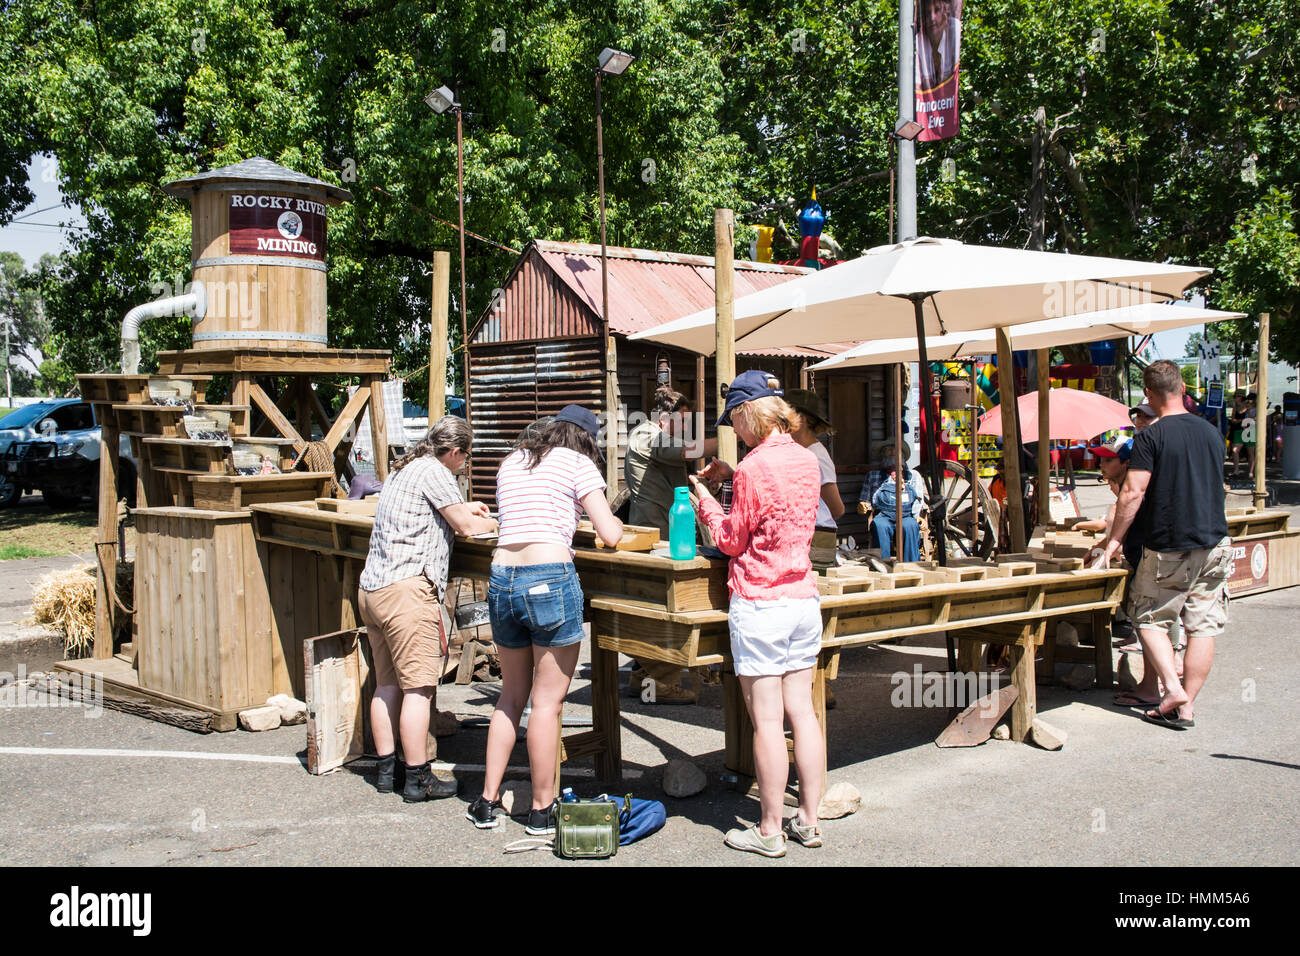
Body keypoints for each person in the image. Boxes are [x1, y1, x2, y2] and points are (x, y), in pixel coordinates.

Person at [467, 405, 623, 832]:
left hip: (502, 578)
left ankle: (486, 800)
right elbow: (610, 534)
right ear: (588, 439)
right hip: (549, 578)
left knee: (510, 697)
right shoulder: (579, 463)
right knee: (548, 703)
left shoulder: (512, 461)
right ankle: (541, 808)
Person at [691, 370, 824, 857]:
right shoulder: (807, 461)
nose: (735, 431)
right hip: (802, 598)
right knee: (803, 715)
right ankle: (808, 820)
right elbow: (779, 508)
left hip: (760, 602)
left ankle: (768, 829)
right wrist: (730, 478)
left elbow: (730, 540)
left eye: (735, 421)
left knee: (767, 723)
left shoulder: (753, 467)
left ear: (749, 413)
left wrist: (707, 503)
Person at [358, 416, 498, 801]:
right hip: (407, 591)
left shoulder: (407, 468)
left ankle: (388, 773)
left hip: (373, 588)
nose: (465, 464)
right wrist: (492, 522)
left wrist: (466, 507)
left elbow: (440, 511)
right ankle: (419, 778)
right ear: (453, 452)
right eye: (466, 456)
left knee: (386, 685)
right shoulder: (437, 471)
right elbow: (466, 528)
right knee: (418, 689)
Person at [1097, 360, 1233, 730]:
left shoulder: (1150, 437)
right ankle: (1186, 708)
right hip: (1216, 541)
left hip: (1171, 545)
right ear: (1184, 390)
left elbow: (1133, 492)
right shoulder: (1210, 433)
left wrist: (1112, 543)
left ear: (1149, 394)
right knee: (1203, 627)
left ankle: (1171, 690)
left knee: (1148, 617)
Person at [623, 386, 718, 704]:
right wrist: (733, 438)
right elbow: (687, 451)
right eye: (682, 421)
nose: (685, 428)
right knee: (667, 609)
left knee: (659, 607)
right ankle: (660, 683)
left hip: (668, 533)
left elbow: (679, 467)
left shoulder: (658, 436)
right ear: (665, 418)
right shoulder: (648, 434)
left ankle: (644, 677)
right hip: (656, 537)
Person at [784, 389, 845, 570]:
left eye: (784, 419)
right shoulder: (796, 452)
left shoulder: (817, 455)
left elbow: (837, 508)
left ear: (801, 420)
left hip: (816, 539)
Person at [861, 440, 927, 562]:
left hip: (906, 515)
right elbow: (864, 501)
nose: (892, 454)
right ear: (882, 456)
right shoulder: (873, 475)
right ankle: (883, 565)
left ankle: (910, 565)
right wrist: (863, 505)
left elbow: (918, 500)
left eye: (895, 450)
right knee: (879, 525)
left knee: (910, 526)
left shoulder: (913, 475)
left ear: (902, 455)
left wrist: (917, 516)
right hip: (883, 515)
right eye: (888, 451)